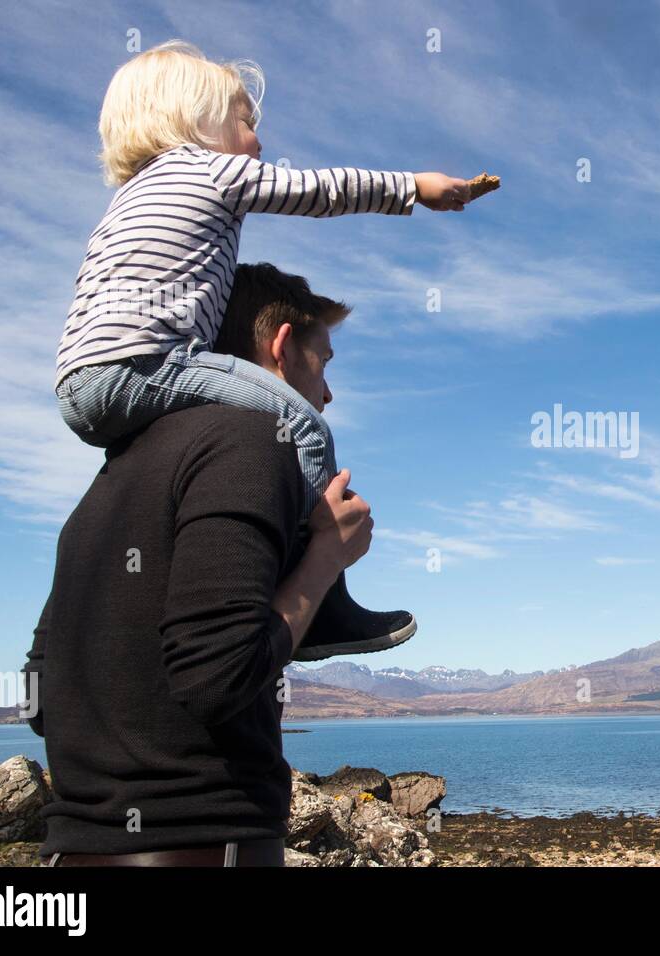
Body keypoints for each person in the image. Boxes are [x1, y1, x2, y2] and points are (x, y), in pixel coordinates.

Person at [54, 38, 472, 648]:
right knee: (300, 424)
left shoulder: (124, 203)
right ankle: (319, 599)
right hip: (144, 361)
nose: (258, 142)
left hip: (77, 380)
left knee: (145, 471)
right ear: (195, 123)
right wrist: (415, 187)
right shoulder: (208, 168)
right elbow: (320, 191)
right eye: (247, 122)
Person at [24, 263, 379, 865]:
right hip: (203, 848)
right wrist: (326, 556)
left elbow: (39, 700)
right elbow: (217, 677)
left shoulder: (114, 471)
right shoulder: (252, 442)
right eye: (324, 361)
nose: (327, 393)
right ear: (282, 345)